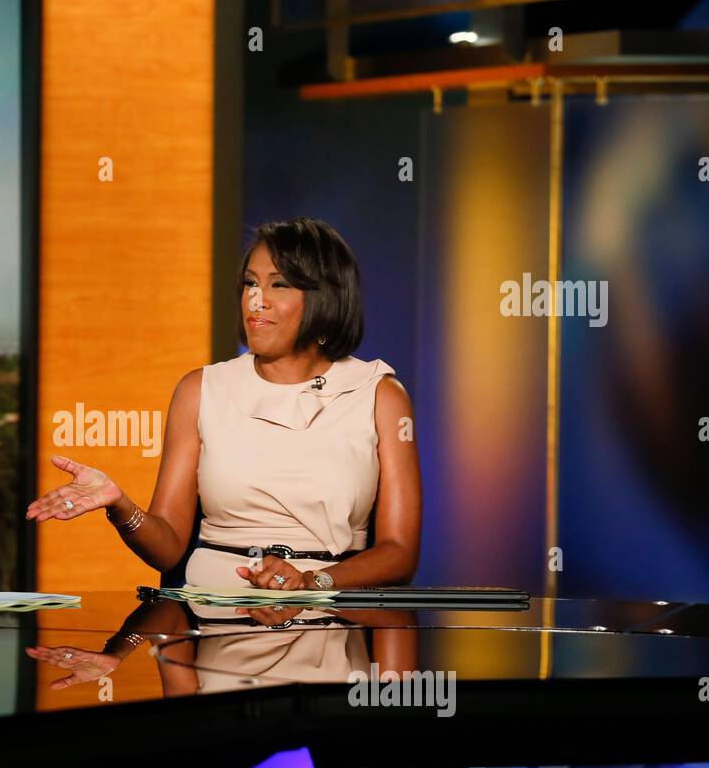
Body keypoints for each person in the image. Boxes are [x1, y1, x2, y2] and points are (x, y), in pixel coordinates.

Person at [26, 217, 420, 591]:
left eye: (278, 285)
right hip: (213, 617)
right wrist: (118, 503)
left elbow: (399, 554)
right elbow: (167, 549)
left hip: (330, 619)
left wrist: (312, 582)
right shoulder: (201, 389)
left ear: (326, 298)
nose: (255, 300)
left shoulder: (379, 395)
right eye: (250, 283)